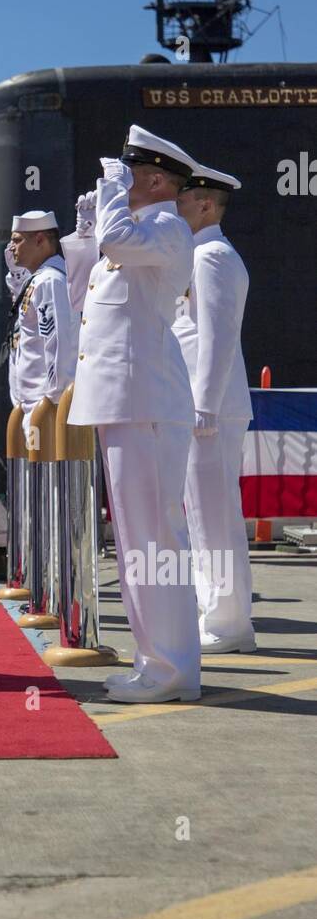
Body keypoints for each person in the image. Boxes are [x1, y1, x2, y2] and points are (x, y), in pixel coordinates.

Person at [67, 125, 201, 704]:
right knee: (136, 541)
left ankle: (170, 669)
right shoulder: (132, 233)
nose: (114, 183)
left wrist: (110, 198)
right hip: (126, 404)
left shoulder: (166, 228)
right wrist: (84, 229)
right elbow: (81, 297)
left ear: (150, 178)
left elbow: (116, 241)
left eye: (126, 174)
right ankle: (157, 662)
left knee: (154, 541)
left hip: (146, 403)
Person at [174, 164, 255, 653]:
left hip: (213, 409)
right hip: (202, 406)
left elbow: (218, 337)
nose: (176, 208)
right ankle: (223, 616)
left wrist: (203, 406)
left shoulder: (213, 256)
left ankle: (226, 622)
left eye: (183, 200)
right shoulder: (199, 255)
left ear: (205, 203)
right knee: (203, 516)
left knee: (214, 517)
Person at [3, 209, 79, 446]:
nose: (11, 247)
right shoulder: (37, 280)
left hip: (45, 407)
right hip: (31, 406)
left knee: (51, 481)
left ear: (40, 240)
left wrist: (54, 401)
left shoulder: (50, 281)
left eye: (17, 240)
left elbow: (57, 342)